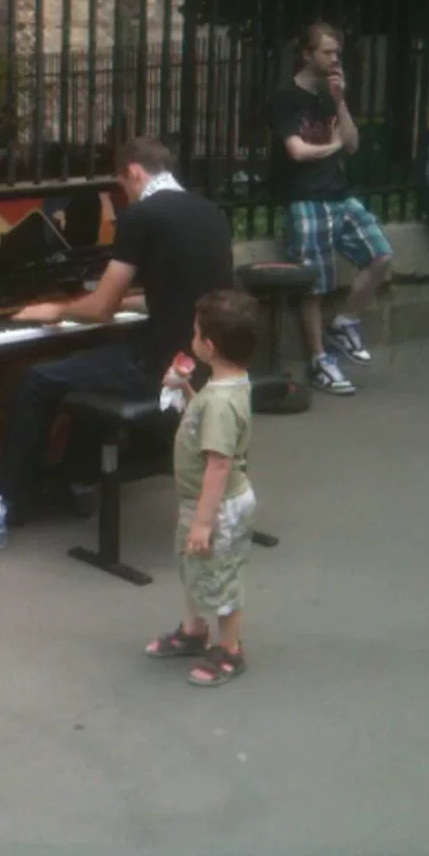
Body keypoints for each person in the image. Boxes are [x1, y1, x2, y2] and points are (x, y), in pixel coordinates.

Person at [0, 137, 235, 521]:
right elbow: (183, 292)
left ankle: (8, 502)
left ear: (134, 172)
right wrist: (127, 303)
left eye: (121, 185)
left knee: (36, 380)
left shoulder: (141, 216)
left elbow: (99, 308)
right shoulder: (209, 212)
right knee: (90, 368)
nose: (123, 195)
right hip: (202, 361)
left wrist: (56, 309)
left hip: (160, 366)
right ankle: (75, 481)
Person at [267, 23, 393, 395]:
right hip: (304, 198)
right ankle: (320, 360)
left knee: (381, 255)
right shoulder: (285, 98)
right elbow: (297, 151)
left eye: (337, 52)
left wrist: (339, 101)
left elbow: (352, 145)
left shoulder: (328, 96)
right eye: (327, 52)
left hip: (339, 194)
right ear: (307, 54)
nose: (335, 59)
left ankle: (345, 322)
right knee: (314, 286)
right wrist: (333, 145)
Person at [145, 289, 259, 688]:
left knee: (221, 575)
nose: (191, 338)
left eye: (196, 333)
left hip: (217, 506)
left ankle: (230, 649)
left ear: (208, 347)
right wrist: (184, 389)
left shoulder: (221, 403)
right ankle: (194, 631)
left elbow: (218, 463)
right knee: (194, 565)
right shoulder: (225, 387)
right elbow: (203, 419)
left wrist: (204, 522)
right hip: (202, 501)